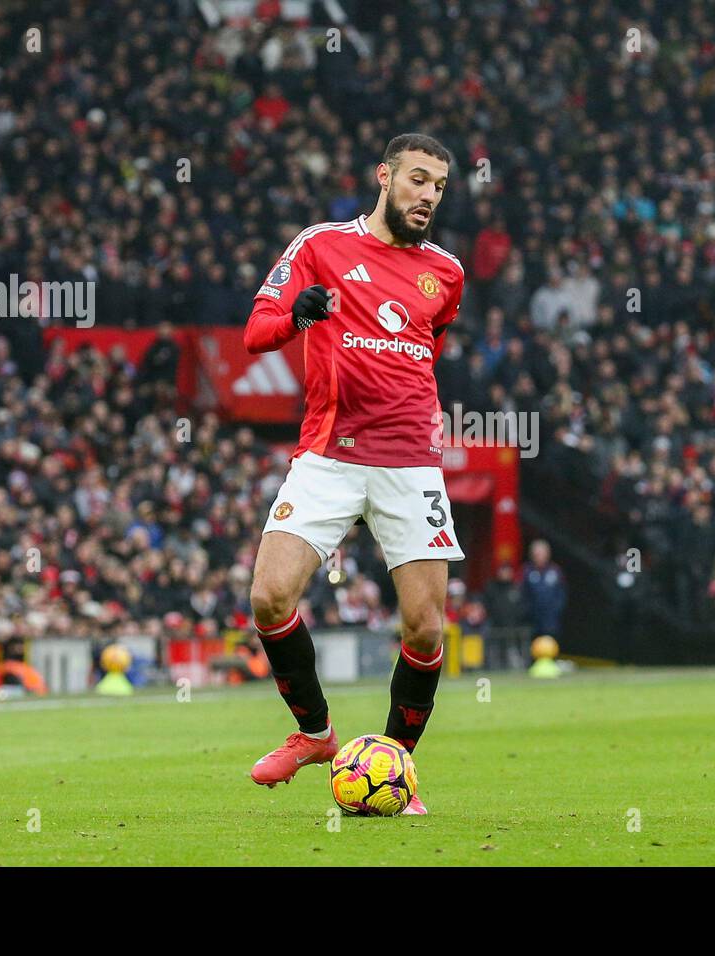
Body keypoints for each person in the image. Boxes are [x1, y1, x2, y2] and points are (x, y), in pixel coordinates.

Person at [241, 133, 465, 815]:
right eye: (418, 180)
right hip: (329, 456)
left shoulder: (447, 272)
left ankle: (395, 765)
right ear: (385, 176)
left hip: (410, 466)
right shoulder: (321, 244)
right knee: (269, 598)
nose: (427, 196)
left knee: (426, 629)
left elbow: (430, 346)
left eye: (439, 187)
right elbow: (256, 331)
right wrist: (297, 317)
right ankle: (314, 734)